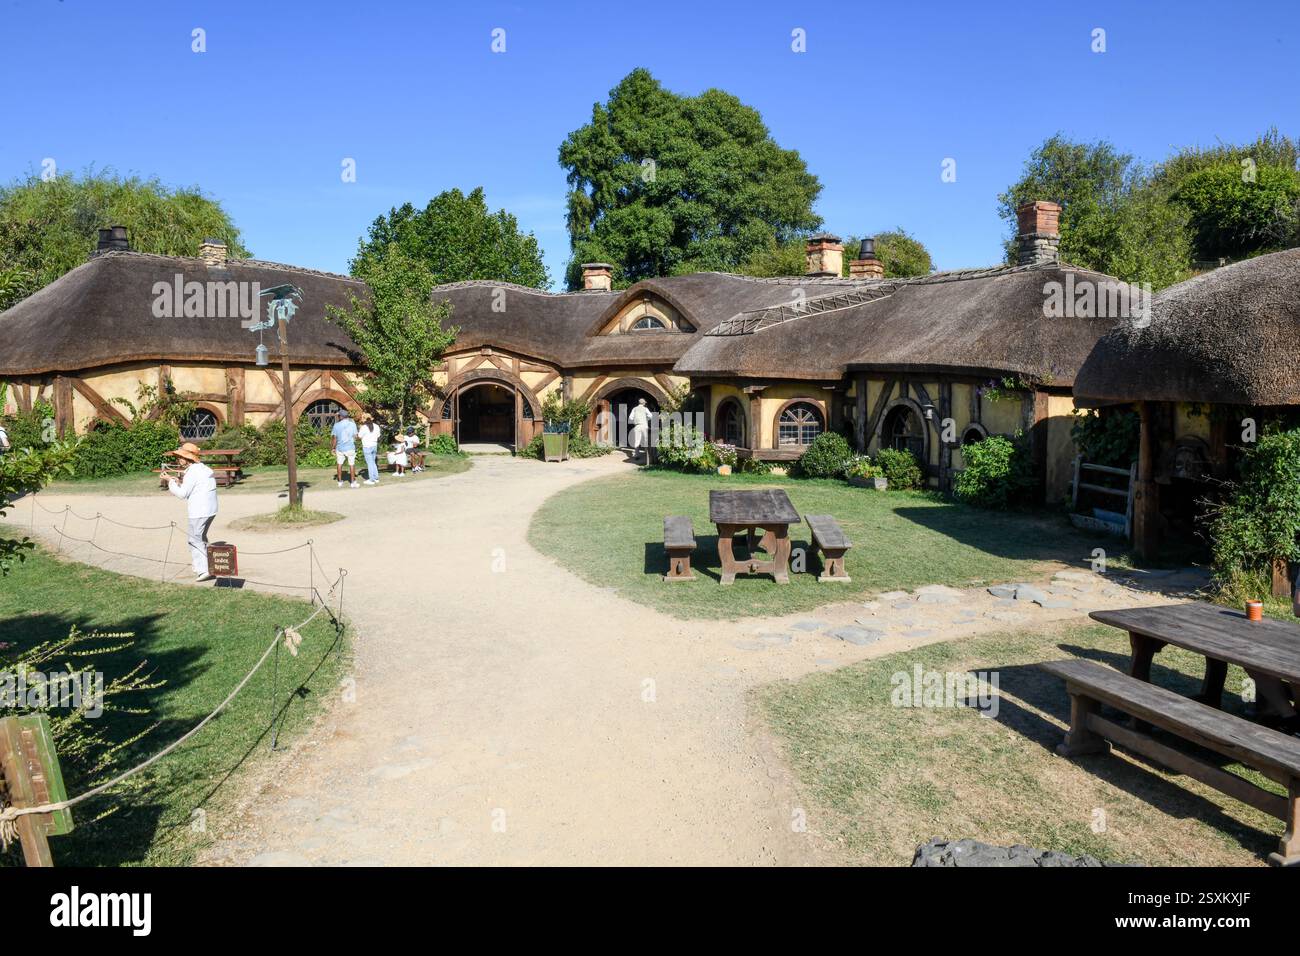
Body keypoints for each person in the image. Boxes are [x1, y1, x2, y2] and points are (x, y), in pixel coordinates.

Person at [165, 442, 219, 583]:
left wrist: (170, 481)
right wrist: (178, 481)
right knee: (200, 538)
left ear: (187, 458)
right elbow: (194, 487)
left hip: (199, 511)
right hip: (210, 510)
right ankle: (205, 566)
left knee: (194, 540)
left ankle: (204, 570)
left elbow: (182, 494)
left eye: (180, 457)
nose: (178, 459)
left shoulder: (192, 472)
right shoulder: (203, 469)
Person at [331, 409, 359, 488]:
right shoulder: (352, 424)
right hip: (350, 447)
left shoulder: (336, 425)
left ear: (341, 416)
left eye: (338, 415)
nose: (338, 416)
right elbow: (356, 436)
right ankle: (353, 482)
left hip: (340, 448)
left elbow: (334, 438)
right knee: (352, 464)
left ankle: (340, 481)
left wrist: (332, 448)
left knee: (339, 464)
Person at [358, 413, 382, 485]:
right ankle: (376, 478)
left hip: (367, 446)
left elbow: (359, 437)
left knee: (370, 463)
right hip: (374, 445)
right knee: (373, 462)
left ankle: (371, 479)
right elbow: (378, 436)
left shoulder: (363, 427)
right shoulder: (376, 426)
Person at [628, 397, 652, 463]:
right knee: (646, 440)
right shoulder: (645, 409)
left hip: (637, 426)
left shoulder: (634, 409)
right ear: (644, 403)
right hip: (644, 425)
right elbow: (650, 416)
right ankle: (647, 455)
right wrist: (646, 419)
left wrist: (635, 420)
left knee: (637, 440)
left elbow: (630, 417)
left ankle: (636, 455)